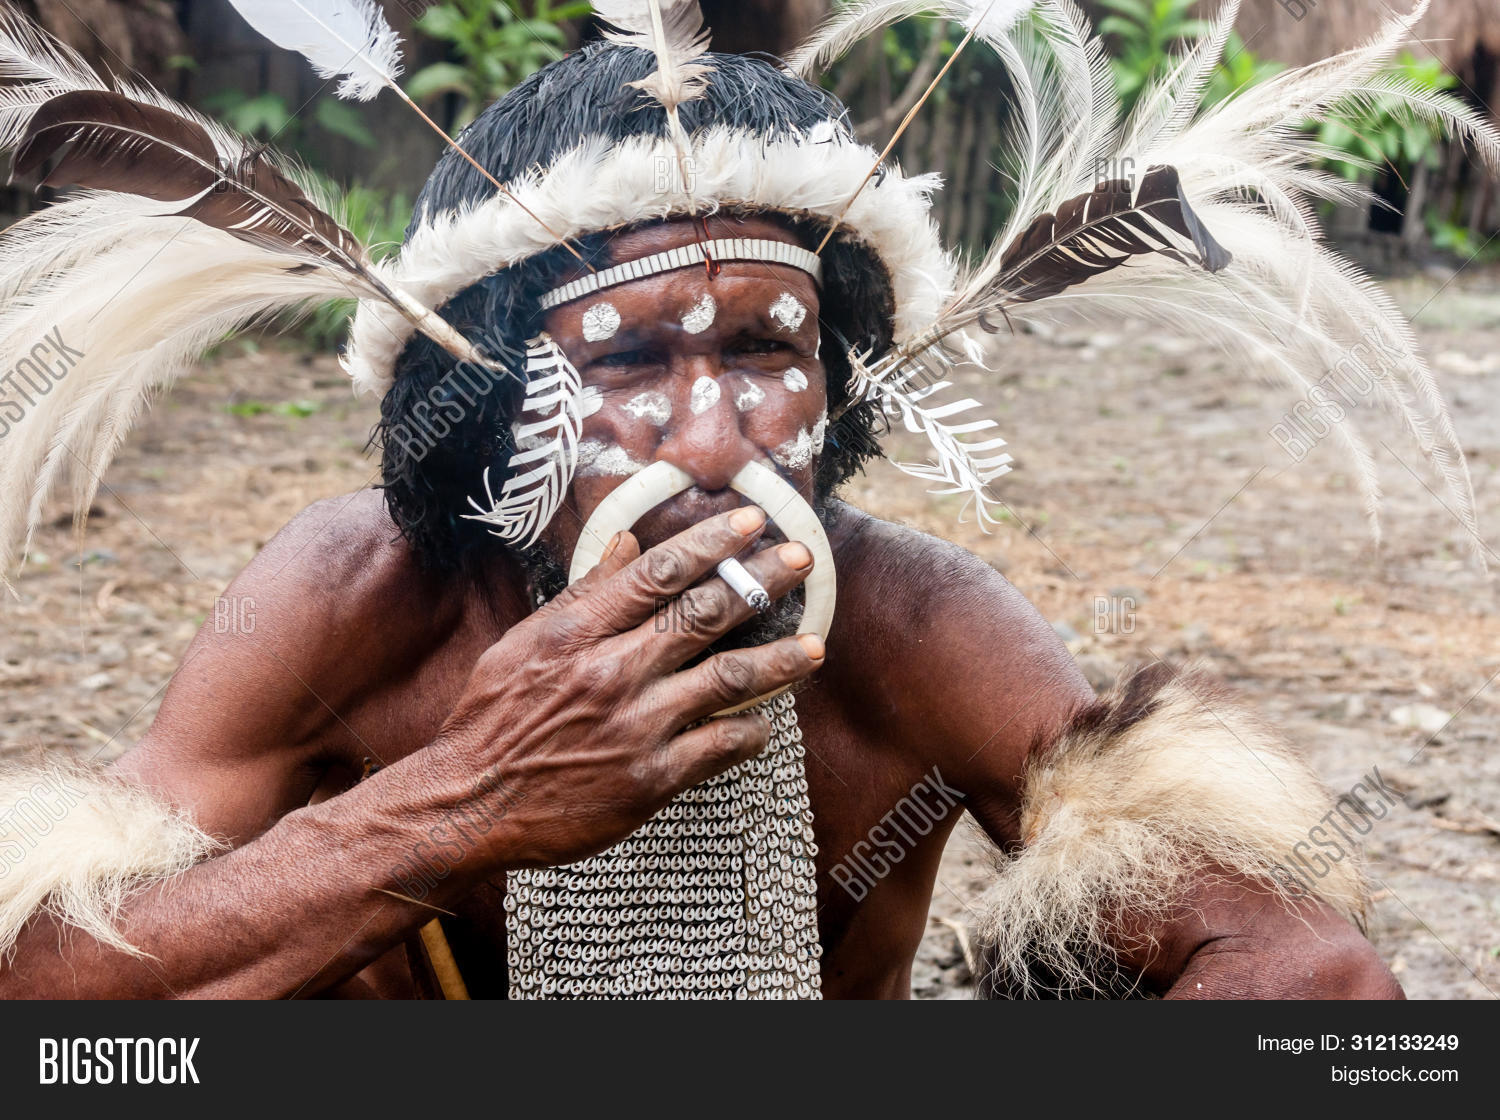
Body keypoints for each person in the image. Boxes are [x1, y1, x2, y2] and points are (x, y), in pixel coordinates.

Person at [1, 1, 1478, 998]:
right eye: (627, 360)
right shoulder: (355, 600)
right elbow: (47, 1004)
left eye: (767, 351)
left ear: (838, 382)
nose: (711, 438)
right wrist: (456, 810)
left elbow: (1318, 981)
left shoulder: (913, 626)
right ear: (492, 396)